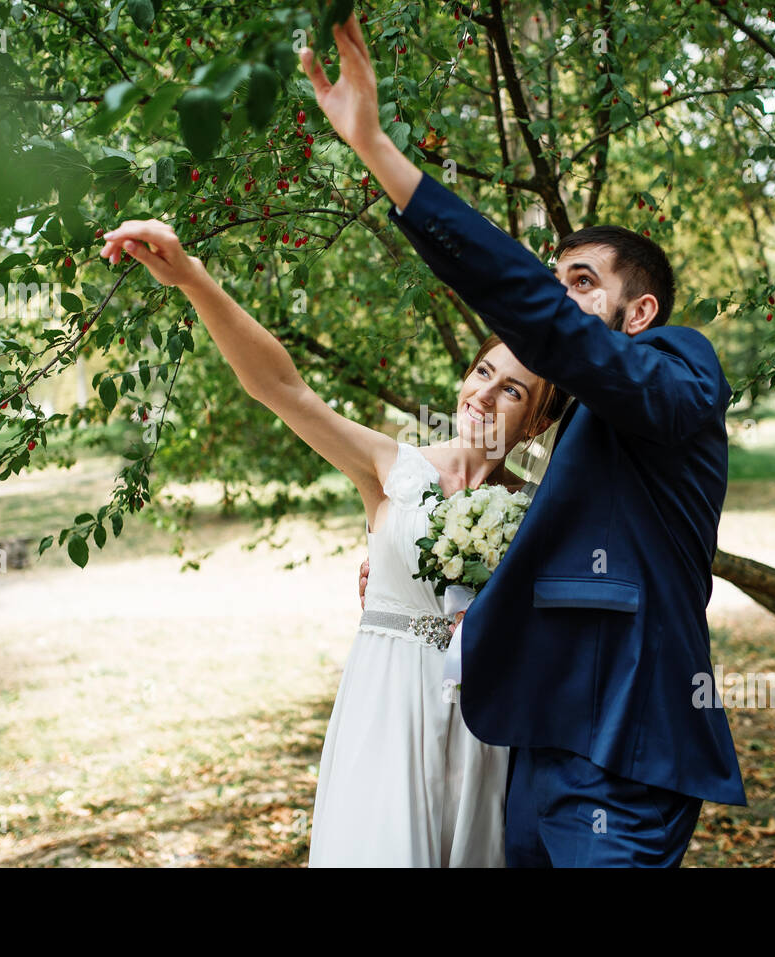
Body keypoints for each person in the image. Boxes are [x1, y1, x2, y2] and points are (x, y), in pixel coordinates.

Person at [307, 14, 747, 867]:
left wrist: (381, 157)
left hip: (624, 755)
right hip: (534, 755)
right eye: (557, 282)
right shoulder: (579, 421)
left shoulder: (677, 366)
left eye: (581, 284)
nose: (557, 301)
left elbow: (546, 324)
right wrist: (429, 560)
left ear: (640, 312)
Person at [96, 222, 566, 865]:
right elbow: (281, 389)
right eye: (482, 370)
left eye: (511, 389)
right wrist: (193, 280)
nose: (483, 393)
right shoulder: (390, 467)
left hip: (479, 730)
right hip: (385, 703)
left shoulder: (538, 514)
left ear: (538, 420)